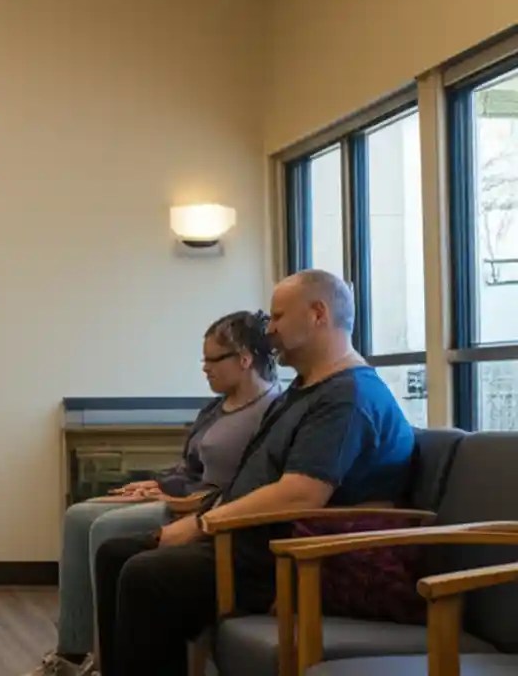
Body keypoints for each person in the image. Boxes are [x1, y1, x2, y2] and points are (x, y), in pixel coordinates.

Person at [93, 269, 416, 676]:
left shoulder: (347, 397)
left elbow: (301, 494)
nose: (271, 331)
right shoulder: (304, 391)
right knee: (115, 554)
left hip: (290, 558)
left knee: (147, 575)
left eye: (279, 317)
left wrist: (203, 524)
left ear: (318, 314)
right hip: (249, 545)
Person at [24, 311, 282, 676]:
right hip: (183, 493)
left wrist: (171, 495)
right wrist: (156, 483)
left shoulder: (271, 411)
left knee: (105, 531)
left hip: (201, 507)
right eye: (203, 359)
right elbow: (189, 465)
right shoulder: (216, 407)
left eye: (213, 359)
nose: (204, 368)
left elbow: (242, 483)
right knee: (78, 515)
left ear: (244, 359)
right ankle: (72, 651)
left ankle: (104, 658)